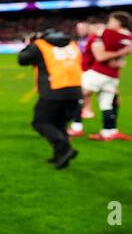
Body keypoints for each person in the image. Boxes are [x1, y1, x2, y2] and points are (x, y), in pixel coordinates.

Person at [19, 28, 84, 168]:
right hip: (76, 90)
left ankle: (64, 147)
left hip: (54, 89)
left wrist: (31, 44)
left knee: (40, 122)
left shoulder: (41, 45)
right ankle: (60, 156)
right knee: (59, 124)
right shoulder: (72, 43)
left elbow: (22, 59)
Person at [81, 11, 132, 141]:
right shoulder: (129, 38)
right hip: (112, 77)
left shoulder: (109, 34)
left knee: (74, 93)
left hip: (98, 73)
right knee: (106, 104)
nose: (108, 23)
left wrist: (96, 30)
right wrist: (120, 55)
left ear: (118, 23)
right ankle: (108, 132)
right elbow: (125, 53)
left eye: (111, 21)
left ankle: (76, 126)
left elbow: (100, 55)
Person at [70, 18, 103, 135]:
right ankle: (87, 111)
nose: (79, 30)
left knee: (80, 95)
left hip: (91, 71)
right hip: (83, 70)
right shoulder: (83, 40)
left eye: (82, 28)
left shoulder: (93, 40)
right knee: (84, 94)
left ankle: (77, 125)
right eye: (78, 28)